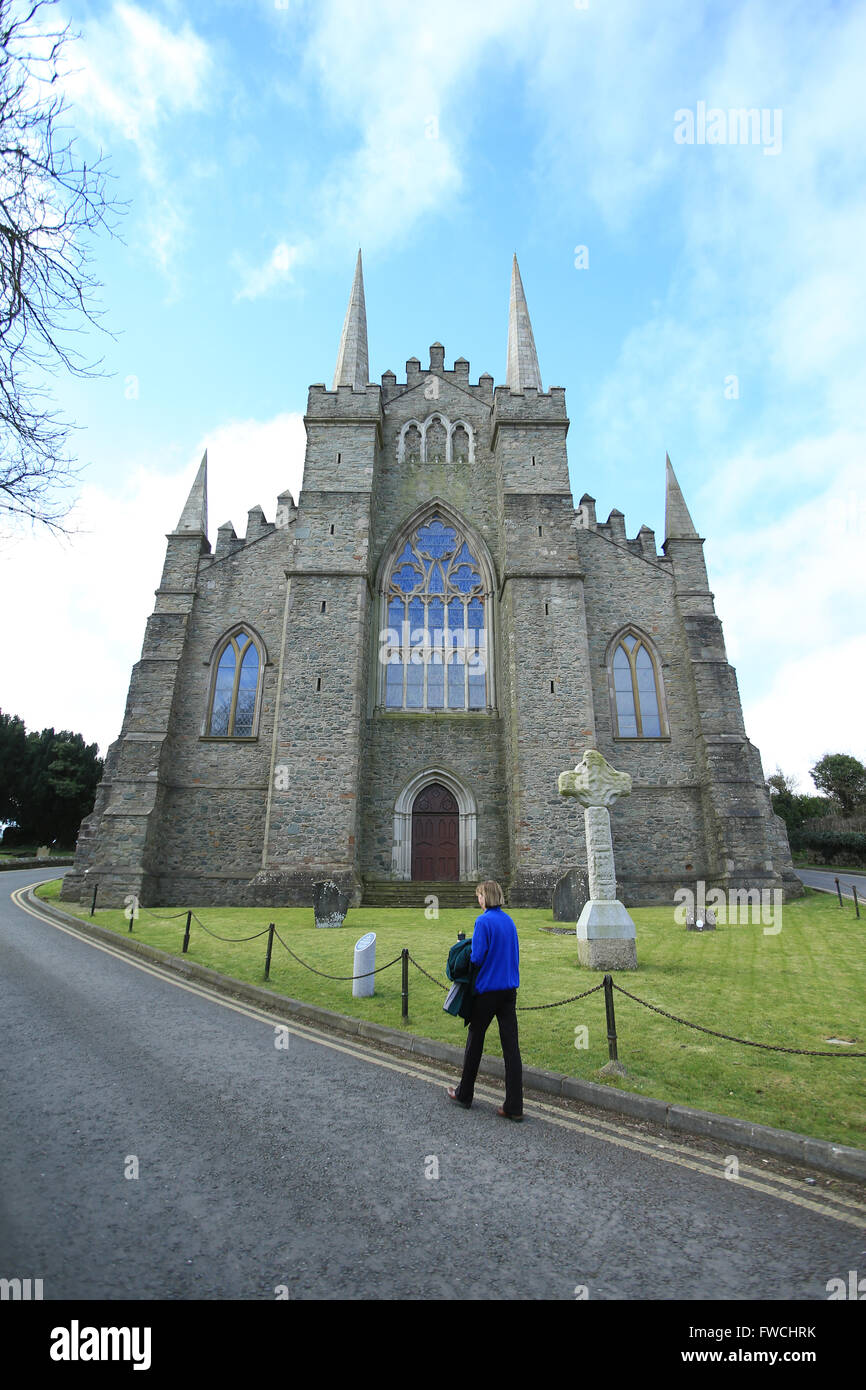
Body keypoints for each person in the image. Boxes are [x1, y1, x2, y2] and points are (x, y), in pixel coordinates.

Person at [446, 880, 524, 1120]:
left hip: (488, 991)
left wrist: (463, 947)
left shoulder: (483, 921)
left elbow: (477, 957)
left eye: (479, 895)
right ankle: (514, 1106)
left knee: (475, 1041)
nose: (478, 899)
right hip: (509, 991)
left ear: (486, 897)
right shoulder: (509, 921)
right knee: (511, 1049)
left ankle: (464, 1094)